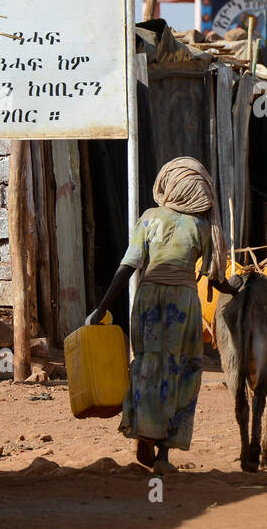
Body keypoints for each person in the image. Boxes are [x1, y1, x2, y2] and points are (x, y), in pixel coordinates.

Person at [86, 157, 241, 473]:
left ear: (168, 186)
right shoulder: (202, 227)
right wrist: (236, 289)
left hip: (147, 299)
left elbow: (127, 267)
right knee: (181, 371)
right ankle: (164, 455)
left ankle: (144, 430)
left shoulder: (149, 218)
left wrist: (101, 307)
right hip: (182, 304)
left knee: (147, 364)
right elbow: (216, 280)